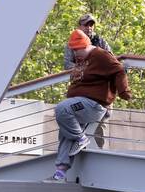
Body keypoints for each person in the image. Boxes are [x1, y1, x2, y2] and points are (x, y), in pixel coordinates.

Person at [50, 40, 131, 182]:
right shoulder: (83, 60)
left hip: (92, 104)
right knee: (65, 131)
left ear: (84, 46)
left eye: (77, 50)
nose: (75, 54)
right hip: (80, 103)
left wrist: (124, 91)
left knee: (62, 109)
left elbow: (119, 69)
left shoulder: (101, 55)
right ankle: (61, 171)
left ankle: (81, 138)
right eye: (73, 51)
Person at [64, 15, 113, 147]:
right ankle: (78, 152)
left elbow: (112, 61)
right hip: (81, 90)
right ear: (79, 26)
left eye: (91, 25)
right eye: (86, 25)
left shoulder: (100, 42)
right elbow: (67, 64)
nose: (89, 28)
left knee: (99, 127)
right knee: (76, 121)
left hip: (100, 92)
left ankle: (99, 155)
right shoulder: (72, 44)